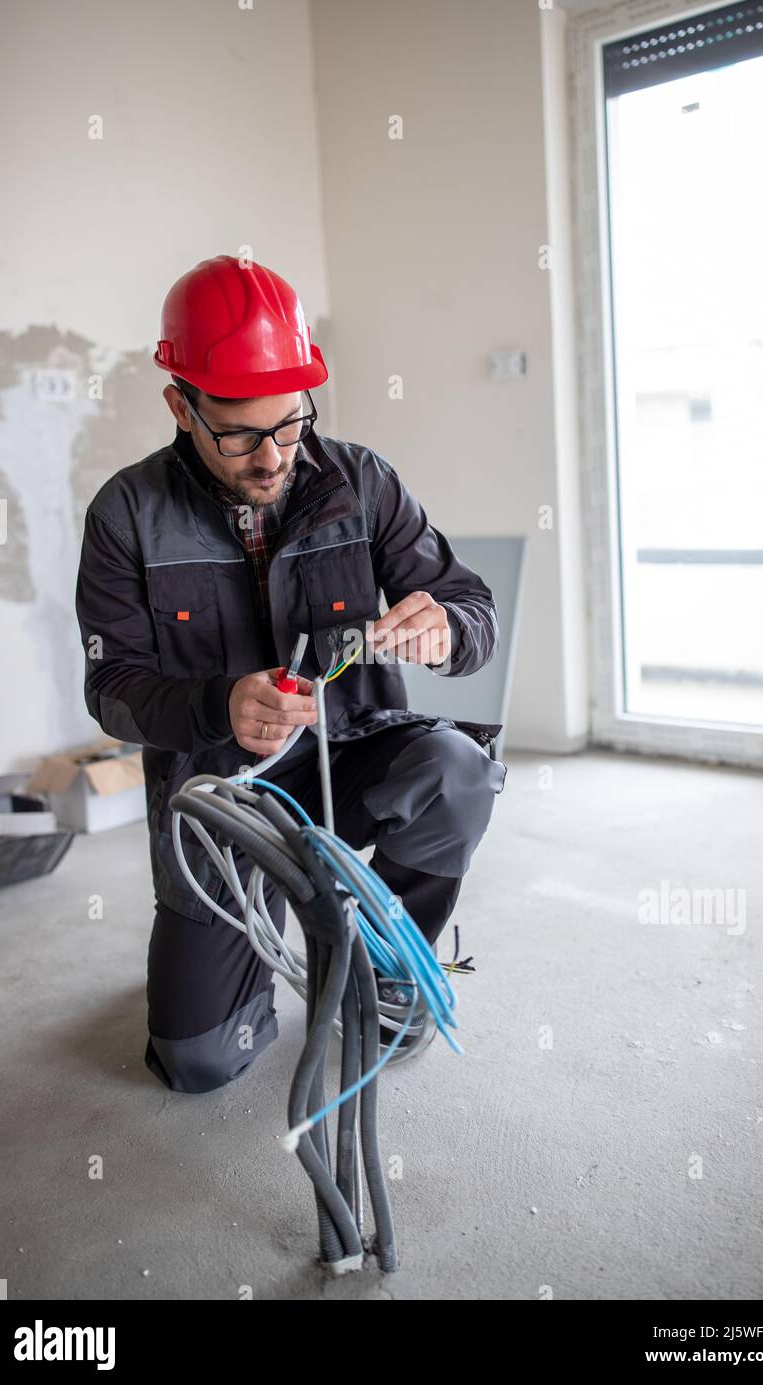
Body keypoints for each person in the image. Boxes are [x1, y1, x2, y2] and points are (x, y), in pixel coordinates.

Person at [74, 254, 506, 1093]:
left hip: (353, 754)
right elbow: (111, 689)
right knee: (198, 1064)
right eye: (239, 433)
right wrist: (216, 704)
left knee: (457, 771)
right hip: (222, 795)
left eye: (290, 425)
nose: (272, 458)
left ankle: (384, 953)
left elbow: (471, 606)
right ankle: (243, 933)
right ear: (181, 404)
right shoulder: (126, 514)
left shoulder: (362, 481)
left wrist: (447, 628)